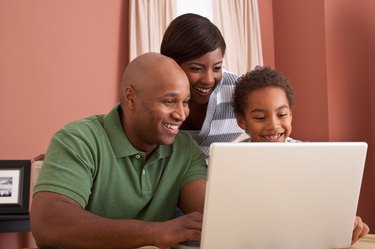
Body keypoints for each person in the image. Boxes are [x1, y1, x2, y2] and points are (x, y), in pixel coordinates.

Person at [30, 52, 207, 249]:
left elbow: (210, 213)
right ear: (131, 98)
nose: (181, 114)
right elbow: (49, 225)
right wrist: (155, 233)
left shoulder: (186, 150)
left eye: (185, 102)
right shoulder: (78, 139)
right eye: (169, 101)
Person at [232, 65, 370, 244]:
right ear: (242, 121)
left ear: (291, 115)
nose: (274, 125)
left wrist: (345, 223)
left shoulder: (309, 157)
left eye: (282, 114)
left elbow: (325, 208)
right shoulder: (233, 162)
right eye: (260, 117)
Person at [160, 13, 245, 160]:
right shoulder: (153, 92)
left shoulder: (237, 91)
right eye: (196, 68)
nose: (208, 80)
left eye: (217, 67)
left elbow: (272, 131)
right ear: (171, 63)